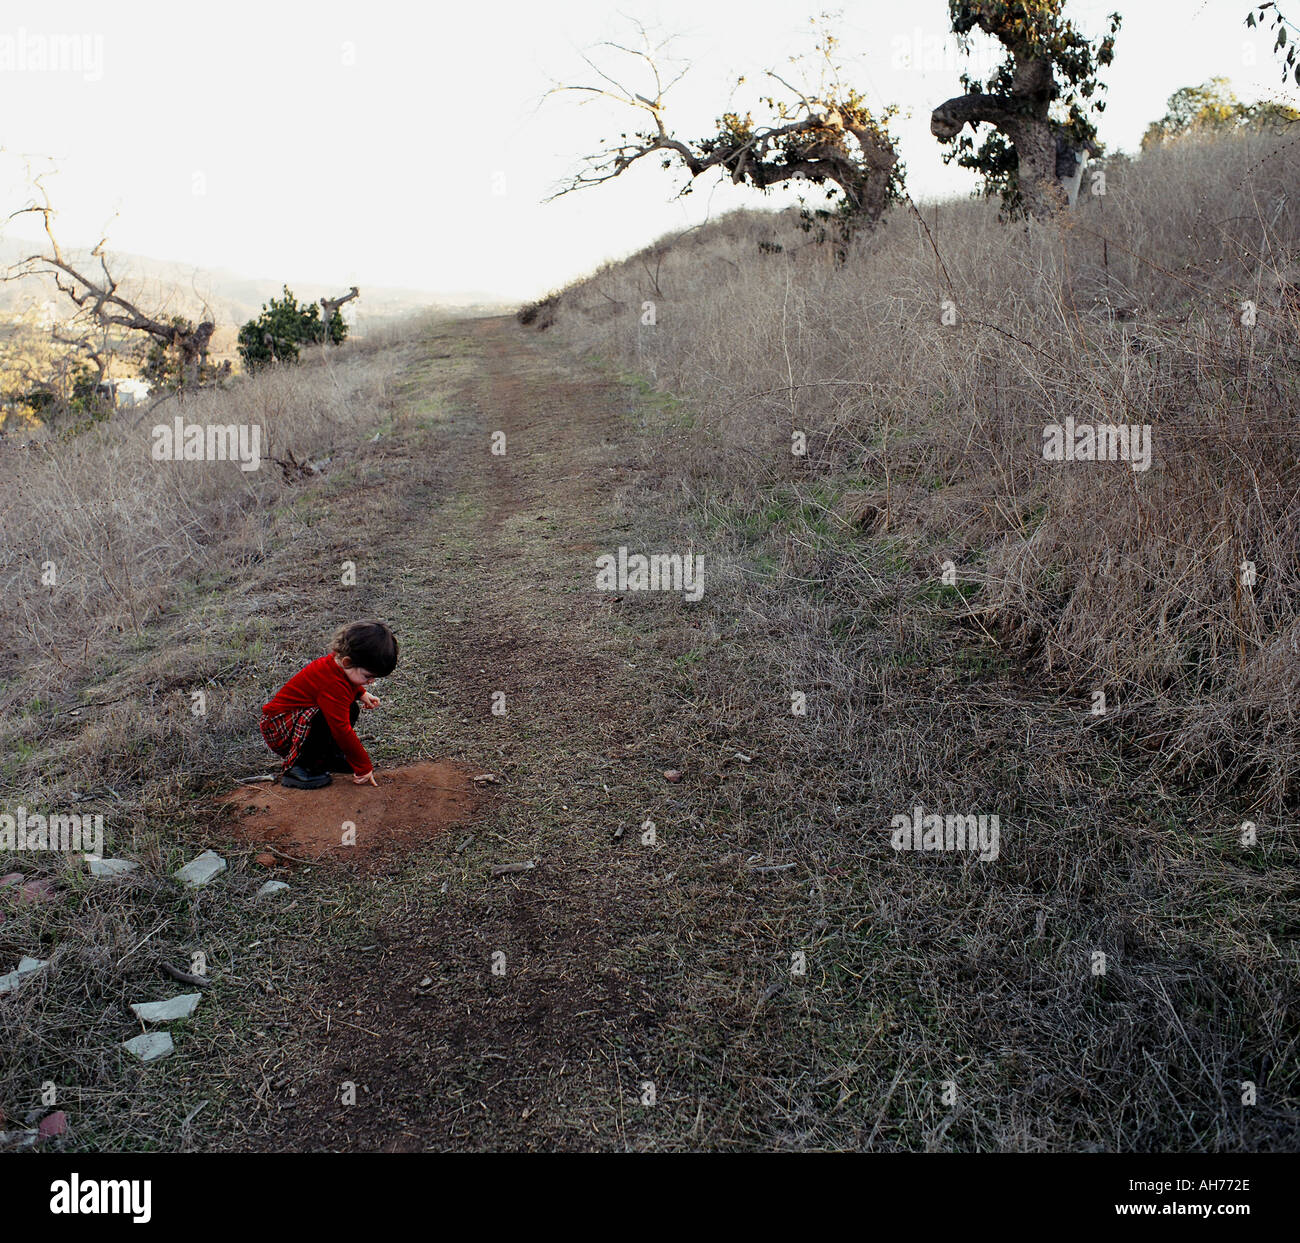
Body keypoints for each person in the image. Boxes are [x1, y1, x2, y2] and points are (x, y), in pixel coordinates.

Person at [260, 620, 398, 789]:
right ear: (347, 662)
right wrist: (363, 766)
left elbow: (346, 681)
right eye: (368, 676)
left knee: (349, 708)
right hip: (279, 727)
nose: (371, 681)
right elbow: (341, 729)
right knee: (326, 718)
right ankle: (298, 768)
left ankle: (326, 757)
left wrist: (361, 693)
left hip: (294, 720)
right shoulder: (332, 684)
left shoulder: (338, 662)